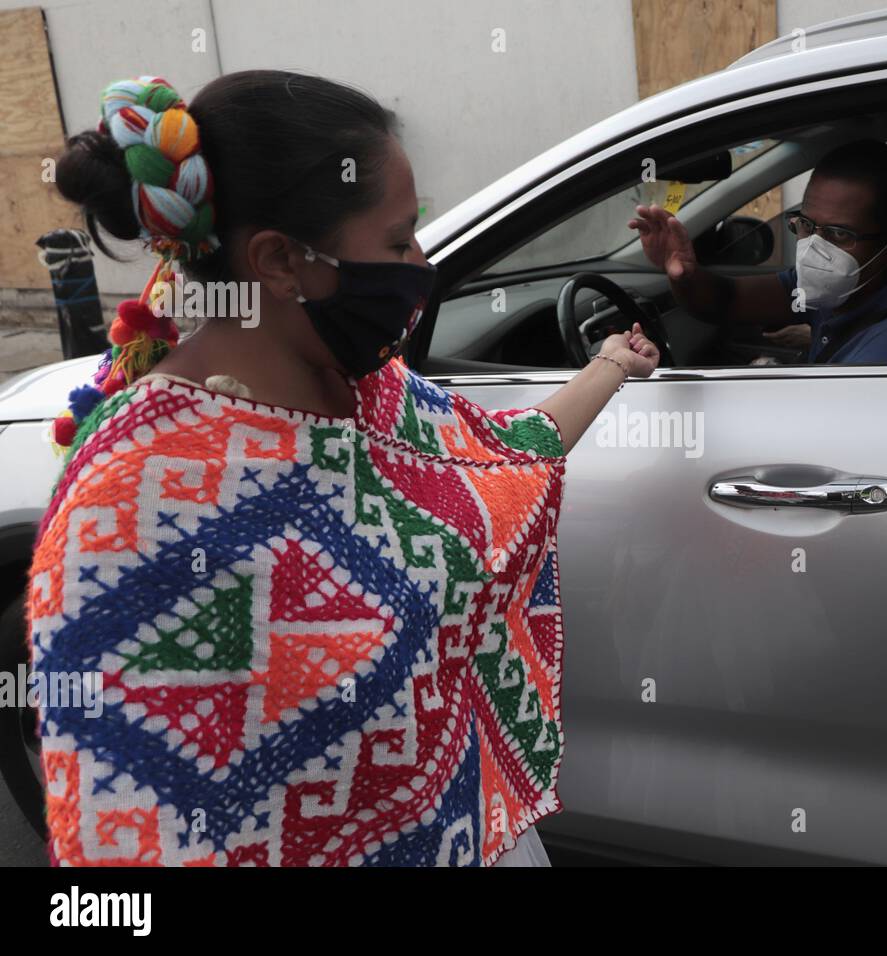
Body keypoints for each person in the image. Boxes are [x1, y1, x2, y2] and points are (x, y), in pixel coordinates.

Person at [25, 70, 657, 867]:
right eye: (398, 242)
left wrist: (608, 365)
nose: (422, 266)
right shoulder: (132, 502)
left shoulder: (376, 393)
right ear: (282, 262)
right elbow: (114, 839)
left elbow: (505, 457)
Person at [629, 138, 887, 364]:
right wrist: (684, 273)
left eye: (839, 234)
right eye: (807, 225)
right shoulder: (839, 292)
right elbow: (728, 300)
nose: (815, 247)